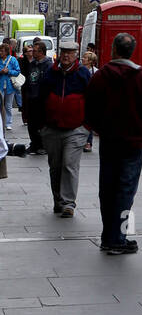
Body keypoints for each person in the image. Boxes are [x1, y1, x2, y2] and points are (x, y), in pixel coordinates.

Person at [84, 31, 142, 255]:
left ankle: (109, 237)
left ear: (113, 49)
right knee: (126, 190)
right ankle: (118, 239)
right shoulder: (140, 75)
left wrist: (100, 128)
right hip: (134, 141)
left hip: (109, 140)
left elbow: (89, 109)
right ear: (132, 51)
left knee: (107, 188)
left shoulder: (101, 76)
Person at [39, 41, 92, 216]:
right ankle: (58, 200)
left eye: (70, 52)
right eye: (64, 52)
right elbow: (40, 98)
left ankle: (69, 203)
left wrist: (87, 126)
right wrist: (41, 125)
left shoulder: (83, 74)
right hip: (52, 128)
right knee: (55, 166)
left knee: (69, 164)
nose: (66, 56)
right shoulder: (51, 73)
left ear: (76, 54)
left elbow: (94, 100)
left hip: (76, 129)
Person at [24, 39, 53, 153]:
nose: (33, 53)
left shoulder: (48, 65)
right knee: (31, 123)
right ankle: (34, 143)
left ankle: (42, 145)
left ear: (41, 52)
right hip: (32, 97)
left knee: (41, 123)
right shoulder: (32, 64)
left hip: (42, 99)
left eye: (35, 51)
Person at [0, 41, 21, 134]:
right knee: (0, 105)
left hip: (10, 85)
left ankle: (8, 123)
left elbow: (17, 71)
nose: (0, 52)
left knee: (8, 105)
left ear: (6, 52)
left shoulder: (13, 60)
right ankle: (1, 122)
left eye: (2, 51)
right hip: (0, 85)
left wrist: (8, 71)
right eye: (0, 51)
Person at [82, 48, 99, 152]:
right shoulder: (80, 70)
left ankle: (88, 142)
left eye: (85, 58)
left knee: (89, 122)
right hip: (81, 99)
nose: (83, 59)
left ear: (90, 61)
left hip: (92, 100)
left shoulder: (96, 72)